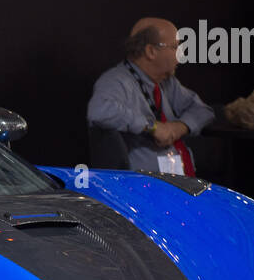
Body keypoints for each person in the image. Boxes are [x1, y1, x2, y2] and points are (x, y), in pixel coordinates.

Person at [87, 18, 214, 175]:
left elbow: (203, 110)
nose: (181, 54)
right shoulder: (116, 80)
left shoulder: (166, 82)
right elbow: (99, 110)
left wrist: (178, 128)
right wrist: (152, 127)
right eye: (175, 47)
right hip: (145, 187)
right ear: (151, 51)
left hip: (177, 182)